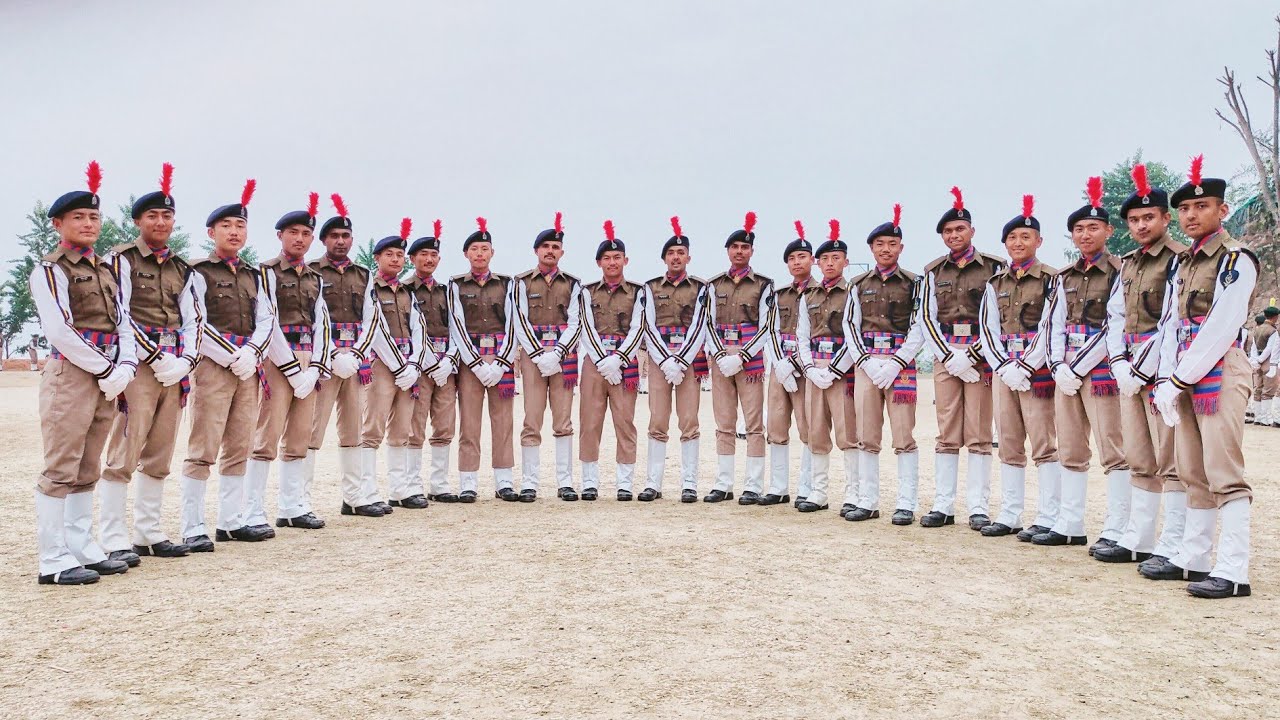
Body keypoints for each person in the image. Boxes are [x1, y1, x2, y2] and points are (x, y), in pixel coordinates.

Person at [1149, 155, 1255, 598]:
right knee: (1191, 469)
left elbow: (1220, 327)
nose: (1191, 215)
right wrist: (1169, 377)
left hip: (1219, 370)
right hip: (1187, 374)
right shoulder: (1184, 263)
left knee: (1223, 470)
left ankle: (1234, 570)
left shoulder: (1235, 259)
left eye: (1203, 207)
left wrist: (1177, 380)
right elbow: (1172, 326)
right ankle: (1193, 557)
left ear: (1222, 211)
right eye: (1185, 210)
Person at [32, 161, 137, 584]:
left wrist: (125, 365)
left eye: (94, 216)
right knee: (61, 465)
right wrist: (106, 367)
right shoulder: (50, 268)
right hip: (72, 374)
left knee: (89, 463)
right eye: (79, 217)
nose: (89, 223)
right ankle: (51, 558)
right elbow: (59, 329)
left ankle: (81, 544)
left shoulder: (109, 268)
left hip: (109, 372)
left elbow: (124, 319)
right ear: (58, 224)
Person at [99, 162, 199, 562]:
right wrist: (155, 357)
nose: (161, 221)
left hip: (174, 366)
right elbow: (118, 312)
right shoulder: (121, 259)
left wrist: (186, 360)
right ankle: (112, 537)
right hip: (139, 364)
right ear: (138, 220)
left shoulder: (182, 267)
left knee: (160, 450)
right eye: (153, 215)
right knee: (126, 448)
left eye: (167, 215)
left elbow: (194, 318)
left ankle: (149, 531)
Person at [179, 179, 275, 550]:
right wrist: (232, 357)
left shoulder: (254, 274)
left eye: (240, 226)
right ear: (211, 232)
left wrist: (251, 354)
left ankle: (231, 521)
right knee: (203, 445)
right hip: (214, 366)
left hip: (249, 368)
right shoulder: (197, 270)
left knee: (239, 444)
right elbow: (195, 320)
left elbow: (266, 319)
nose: (234, 232)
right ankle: (192, 525)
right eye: (227, 226)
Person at [1038, 177, 1130, 552]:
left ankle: (1118, 527)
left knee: (1114, 449)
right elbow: (1052, 323)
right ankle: (1070, 522)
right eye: (1078, 229)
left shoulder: (1121, 270)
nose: (1086, 233)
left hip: (1103, 368)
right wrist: (1059, 364)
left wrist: (1078, 367)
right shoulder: (1063, 277)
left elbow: (1115, 323)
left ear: (1108, 230)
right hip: (1066, 371)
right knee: (1071, 448)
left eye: (1093, 227)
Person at [918, 187, 1004, 530]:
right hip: (945, 357)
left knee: (980, 432)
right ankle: (943, 504)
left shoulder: (995, 267)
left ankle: (978, 507)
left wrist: (971, 355)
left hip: (981, 359)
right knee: (947, 431)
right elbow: (927, 315)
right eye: (948, 231)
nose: (954, 235)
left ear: (971, 231)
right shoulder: (932, 270)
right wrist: (948, 356)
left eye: (959, 229)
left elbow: (999, 318)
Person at [245, 193, 331, 533]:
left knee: (300, 436)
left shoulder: (314, 278)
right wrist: (292, 370)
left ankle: (293, 506)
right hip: (275, 359)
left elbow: (322, 322)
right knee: (266, 434)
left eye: (306, 233)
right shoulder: (264, 272)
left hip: (308, 359)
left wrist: (315, 368)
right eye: (293, 232)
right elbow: (267, 321)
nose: (300, 239)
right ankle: (252, 510)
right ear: (279, 235)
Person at [977, 195, 1062, 539]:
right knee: (1010, 442)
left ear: (1039, 241)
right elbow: (988, 328)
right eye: (1012, 238)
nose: (1018, 243)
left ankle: (1048, 515)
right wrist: (1002, 366)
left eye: (1025, 237)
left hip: (1036, 371)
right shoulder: (995, 284)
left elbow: (1051, 324)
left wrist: (1026, 366)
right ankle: (1010, 513)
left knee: (1044, 443)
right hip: (1003, 370)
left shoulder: (1051, 279)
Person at [844, 205, 924, 525]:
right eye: (880, 244)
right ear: (871, 248)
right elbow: (850, 324)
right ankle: (868, 500)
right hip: (866, 366)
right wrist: (864, 360)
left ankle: (906, 502)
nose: (886, 249)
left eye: (892, 244)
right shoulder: (858, 283)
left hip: (899, 365)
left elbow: (919, 326)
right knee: (866, 434)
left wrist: (896, 362)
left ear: (901, 248)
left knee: (904, 435)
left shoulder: (914, 282)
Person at [360, 219, 437, 510]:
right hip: (382, 364)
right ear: (377, 258)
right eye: (389, 254)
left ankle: (399, 489)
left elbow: (419, 328)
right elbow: (375, 327)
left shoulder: (407, 292)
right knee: (373, 428)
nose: (395, 259)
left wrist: (415, 365)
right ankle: (367, 490)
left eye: (399, 255)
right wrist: (400, 366)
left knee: (402, 429)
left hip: (408, 368)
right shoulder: (371, 288)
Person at [308, 195, 376, 516]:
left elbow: (371, 316)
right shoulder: (311, 271)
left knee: (354, 428)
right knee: (310, 428)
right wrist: (332, 353)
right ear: (323, 240)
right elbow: (310, 315)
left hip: (355, 359)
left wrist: (358, 353)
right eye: (334, 236)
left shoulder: (363, 274)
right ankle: (300, 501)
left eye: (345, 236)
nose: (340, 241)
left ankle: (354, 497)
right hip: (323, 358)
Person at [703, 212, 776, 504]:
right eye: (735, 247)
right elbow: (706, 322)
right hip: (721, 361)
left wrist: (742, 355)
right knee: (724, 422)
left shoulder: (764, 284)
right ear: (728, 251)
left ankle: (753, 485)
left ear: (752, 252)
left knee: (754, 423)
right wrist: (721, 355)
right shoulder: (713, 285)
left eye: (745, 248)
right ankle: (723, 483)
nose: (739, 252)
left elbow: (766, 324)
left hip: (751, 363)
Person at [448, 218, 520, 501]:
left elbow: (515, 323)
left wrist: (502, 362)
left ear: (492, 253)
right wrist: (477, 364)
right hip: (471, 361)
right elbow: (456, 324)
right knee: (470, 421)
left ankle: (504, 482)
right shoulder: (454, 285)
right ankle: (468, 482)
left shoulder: (507, 284)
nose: (480, 253)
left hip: (501, 358)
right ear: (466, 254)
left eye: (485, 248)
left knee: (503, 421)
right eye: (474, 249)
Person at [513, 213, 584, 501]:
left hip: (563, 358)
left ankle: (565, 482)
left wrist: (558, 352)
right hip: (533, 358)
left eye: (555, 247)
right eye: (546, 247)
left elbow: (577, 320)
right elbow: (519, 318)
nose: (550, 251)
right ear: (536, 251)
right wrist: (538, 353)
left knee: (563, 420)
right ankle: (529, 482)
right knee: (532, 419)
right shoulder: (521, 282)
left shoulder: (573, 283)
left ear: (562, 252)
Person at [640, 217, 710, 502]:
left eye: (681, 253)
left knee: (689, 421)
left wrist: (680, 360)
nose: (676, 257)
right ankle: (652, 484)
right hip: (660, 362)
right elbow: (648, 325)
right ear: (664, 258)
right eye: (671, 253)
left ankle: (689, 483)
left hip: (689, 361)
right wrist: (666, 360)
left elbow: (700, 324)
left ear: (689, 257)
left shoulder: (701, 287)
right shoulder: (651, 286)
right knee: (657, 420)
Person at [577, 221, 646, 500]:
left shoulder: (638, 292)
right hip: (594, 364)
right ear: (598, 262)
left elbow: (639, 327)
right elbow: (584, 326)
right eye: (606, 258)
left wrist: (617, 359)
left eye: (617, 257)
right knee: (590, 423)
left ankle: (625, 483)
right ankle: (590, 482)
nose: (612, 262)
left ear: (626, 260)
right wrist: (602, 359)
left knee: (625, 422)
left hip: (625, 364)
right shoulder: (586, 291)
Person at [795, 220, 860, 516]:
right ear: (817, 263)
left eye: (836, 258)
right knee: (816, 432)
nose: (830, 263)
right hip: (814, 372)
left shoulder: (853, 293)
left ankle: (853, 493)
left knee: (848, 433)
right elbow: (802, 335)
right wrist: (809, 368)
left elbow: (854, 333)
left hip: (842, 371)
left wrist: (835, 369)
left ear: (846, 261)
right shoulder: (808, 296)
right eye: (825, 259)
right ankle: (818, 492)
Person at [406, 221, 460, 503]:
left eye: (434, 255)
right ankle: (412, 484)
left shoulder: (446, 291)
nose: (429, 260)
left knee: (444, 424)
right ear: (412, 258)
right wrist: (427, 360)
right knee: (414, 425)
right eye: (423, 254)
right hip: (417, 365)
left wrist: (449, 360)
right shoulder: (404, 288)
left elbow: (457, 327)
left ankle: (439, 483)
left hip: (446, 368)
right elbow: (403, 328)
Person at [764, 222, 816, 507]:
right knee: (776, 426)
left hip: (807, 369)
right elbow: (770, 329)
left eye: (802, 257)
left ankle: (807, 487)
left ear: (813, 260)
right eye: (792, 258)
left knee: (809, 427)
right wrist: (781, 364)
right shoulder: (779, 294)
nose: (797, 262)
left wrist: (797, 364)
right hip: (780, 368)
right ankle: (778, 487)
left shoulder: (821, 292)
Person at [1249, 307, 1279, 425]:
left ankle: (1258, 417)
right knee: (1268, 390)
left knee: (1258, 389)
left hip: (1257, 361)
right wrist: (1262, 360)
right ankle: (1266, 418)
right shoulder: (1273, 331)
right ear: (1275, 317)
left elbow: (1254, 347)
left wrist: (1256, 360)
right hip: (1268, 361)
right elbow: (1270, 348)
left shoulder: (1257, 329)